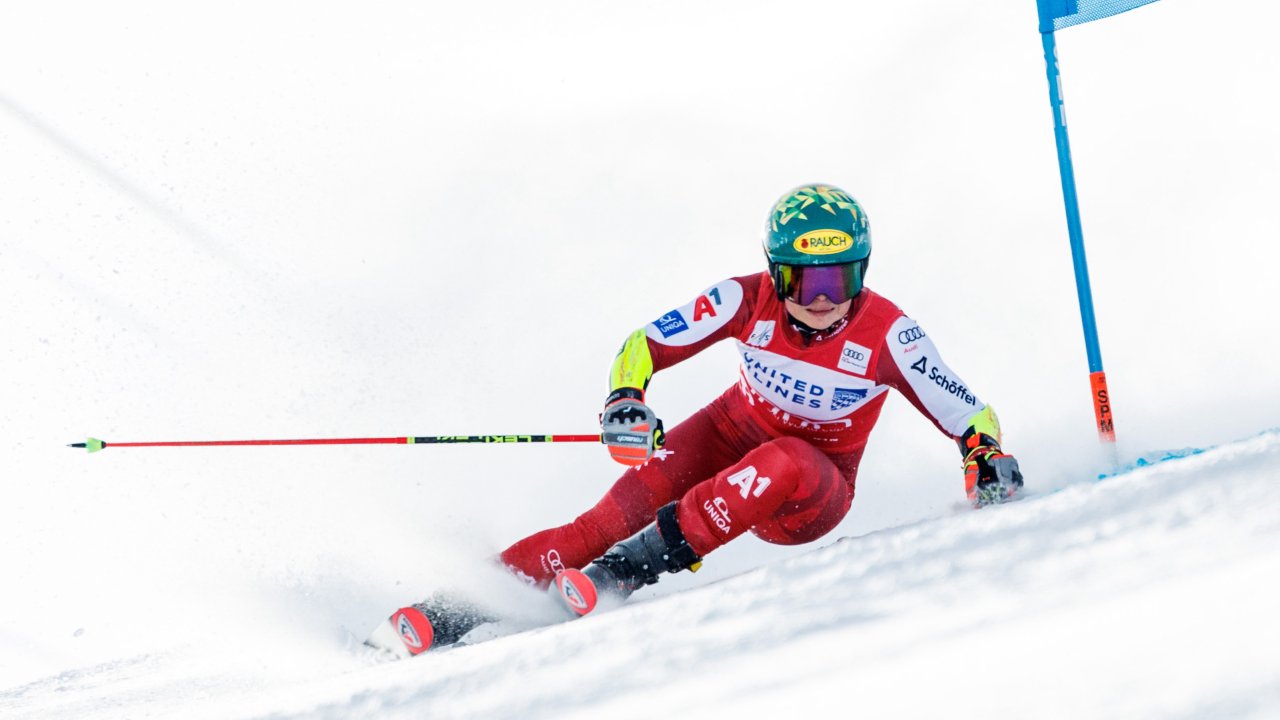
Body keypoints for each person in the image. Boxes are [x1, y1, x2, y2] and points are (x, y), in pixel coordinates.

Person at [377, 183, 1023, 654]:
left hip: (810, 491)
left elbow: (969, 410)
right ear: (778, 273)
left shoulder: (890, 334)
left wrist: (984, 456)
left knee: (786, 459)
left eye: (842, 279)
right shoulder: (744, 298)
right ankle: (447, 612)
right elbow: (643, 344)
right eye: (806, 283)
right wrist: (626, 400)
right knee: (597, 522)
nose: (826, 301)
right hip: (729, 433)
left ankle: (626, 571)